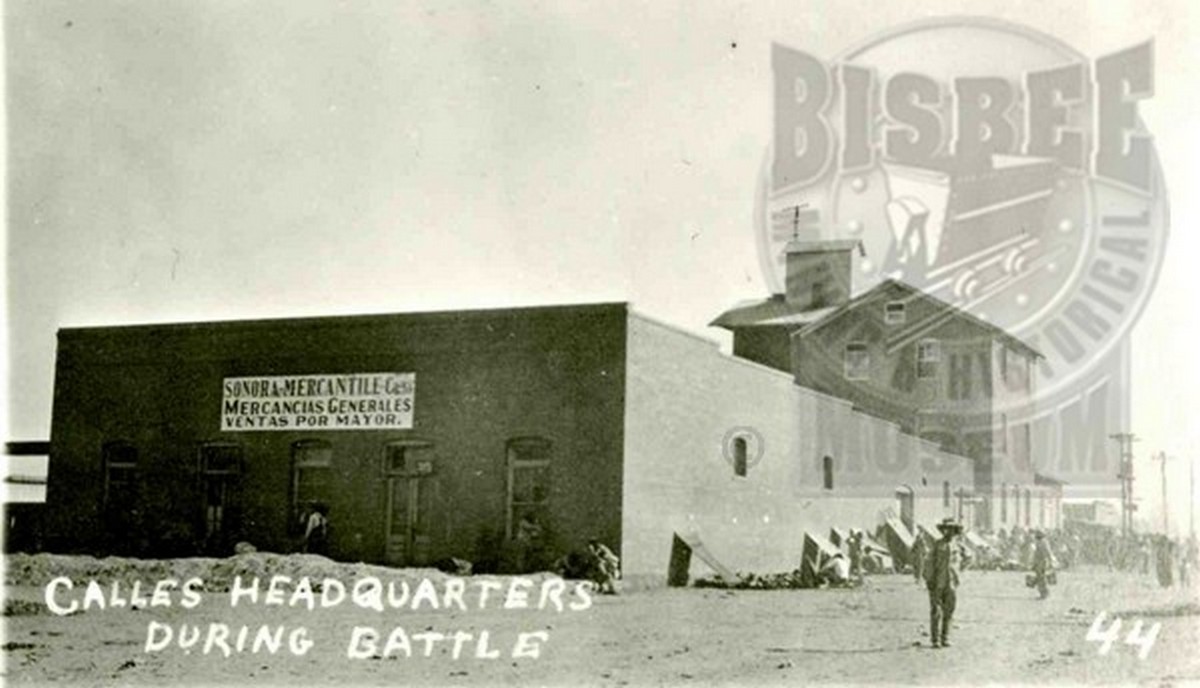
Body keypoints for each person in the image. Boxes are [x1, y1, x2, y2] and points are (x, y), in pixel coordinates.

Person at [924, 518, 969, 648]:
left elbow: (969, 557)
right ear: (943, 530)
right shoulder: (937, 545)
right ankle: (935, 640)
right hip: (937, 582)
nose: (949, 531)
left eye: (952, 529)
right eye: (946, 529)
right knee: (936, 611)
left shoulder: (958, 545)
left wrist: (960, 570)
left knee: (949, 611)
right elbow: (928, 563)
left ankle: (945, 638)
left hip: (952, 584)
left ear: (955, 531)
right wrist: (929, 579)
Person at [1030, 530, 1054, 599]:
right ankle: (1043, 593)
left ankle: (1044, 593)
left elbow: (1047, 552)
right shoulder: (1041, 542)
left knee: (1041, 578)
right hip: (1040, 562)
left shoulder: (1043, 542)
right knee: (1040, 577)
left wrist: (1050, 561)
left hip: (1042, 561)